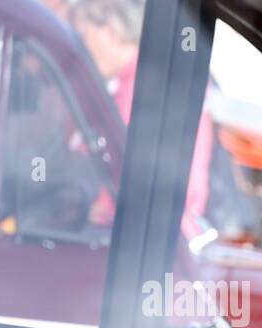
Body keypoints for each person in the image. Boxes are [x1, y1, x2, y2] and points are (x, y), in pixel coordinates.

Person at [70, 0, 214, 237]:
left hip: (140, 235)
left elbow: (129, 164)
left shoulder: (145, 86)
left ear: (110, 29)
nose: (81, 49)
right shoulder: (148, 78)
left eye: (84, 35)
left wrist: (100, 207)